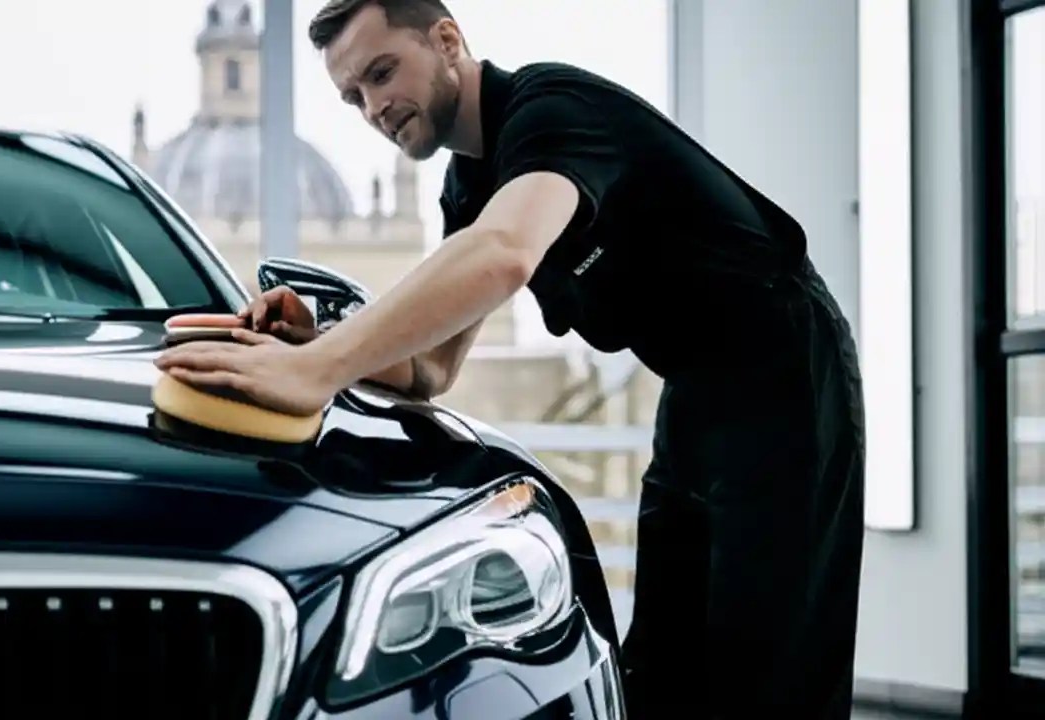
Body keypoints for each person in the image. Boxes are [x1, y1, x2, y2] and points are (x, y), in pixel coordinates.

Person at [155, 0, 866, 716]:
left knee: (770, 677)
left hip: (786, 376)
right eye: (353, 95)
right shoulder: (467, 182)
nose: (373, 106)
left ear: (447, 39)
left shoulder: (552, 110)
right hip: (694, 393)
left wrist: (316, 371)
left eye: (382, 72)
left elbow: (505, 254)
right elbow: (432, 370)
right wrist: (311, 342)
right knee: (660, 670)